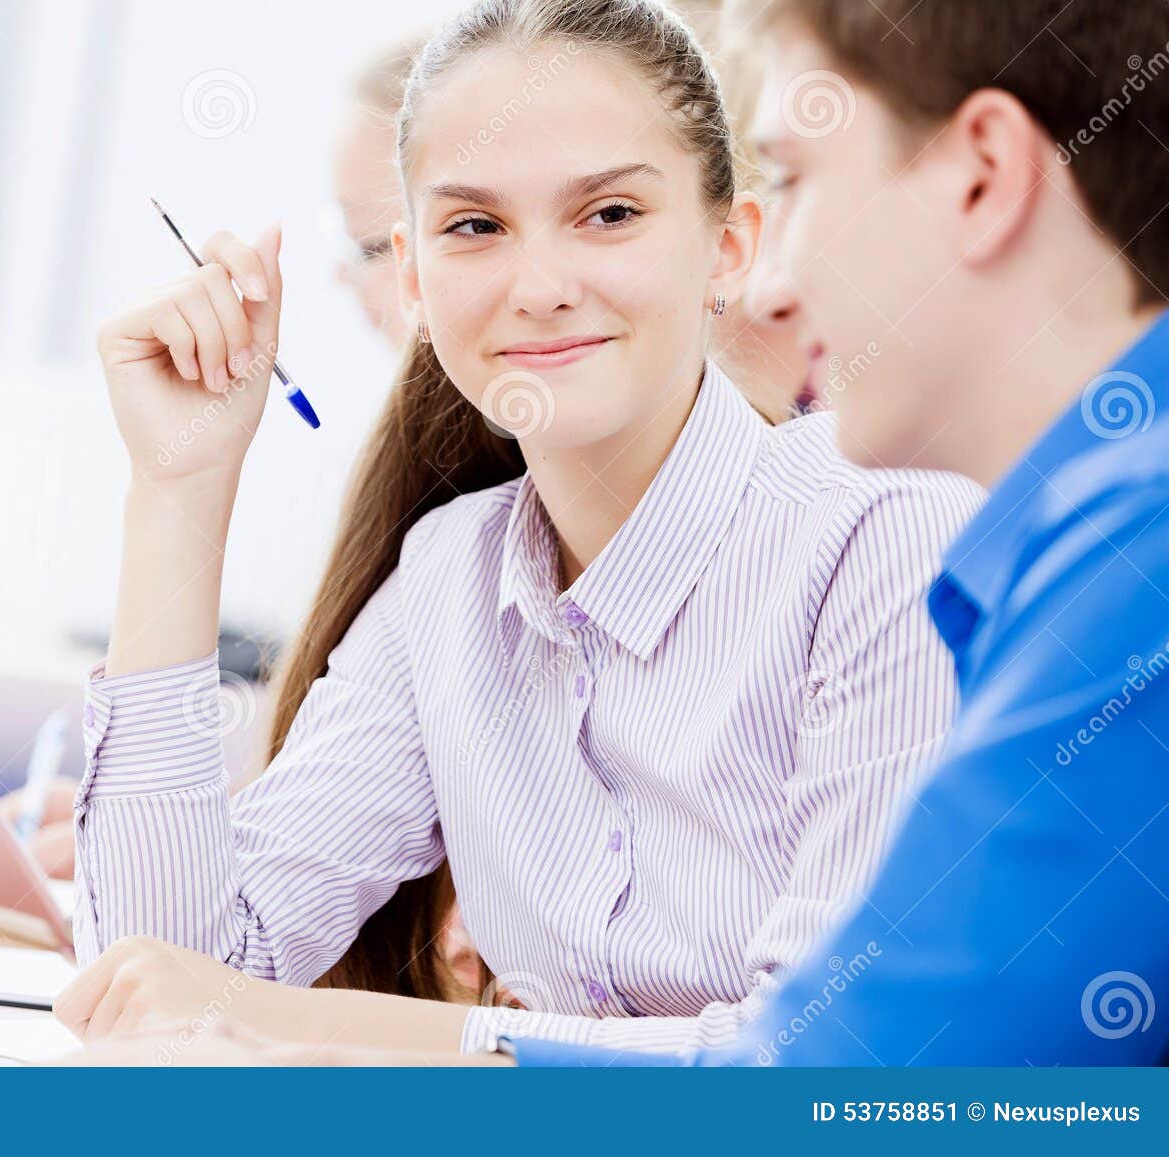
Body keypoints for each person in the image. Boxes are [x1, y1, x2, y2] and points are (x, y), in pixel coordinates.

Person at [58, 0, 982, 1057]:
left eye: (610, 213)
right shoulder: (446, 582)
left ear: (729, 249)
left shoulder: (886, 536)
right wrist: (178, 488)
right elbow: (157, 984)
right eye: (475, 227)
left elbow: (822, 1064)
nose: (539, 288)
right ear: (414, 278)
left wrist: (356, 1027)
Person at [492, 0, 1169, 1066]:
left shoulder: (1135, 568)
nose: (768, 289)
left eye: (797, 179)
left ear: (984, 176)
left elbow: (848, 1100)